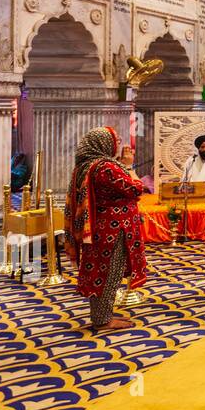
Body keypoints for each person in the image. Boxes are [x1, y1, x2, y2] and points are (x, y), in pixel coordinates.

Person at [64, 127, 147, 334]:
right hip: (113, 230)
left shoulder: (85, 165)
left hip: (98, 228)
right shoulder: (106, 167)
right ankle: (102, 320)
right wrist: (128, 166)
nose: (118, 144)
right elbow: (135, 188)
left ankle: (101, 315)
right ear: (103, 144)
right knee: (109, 274)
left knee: (100, 273)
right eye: (114, 140)